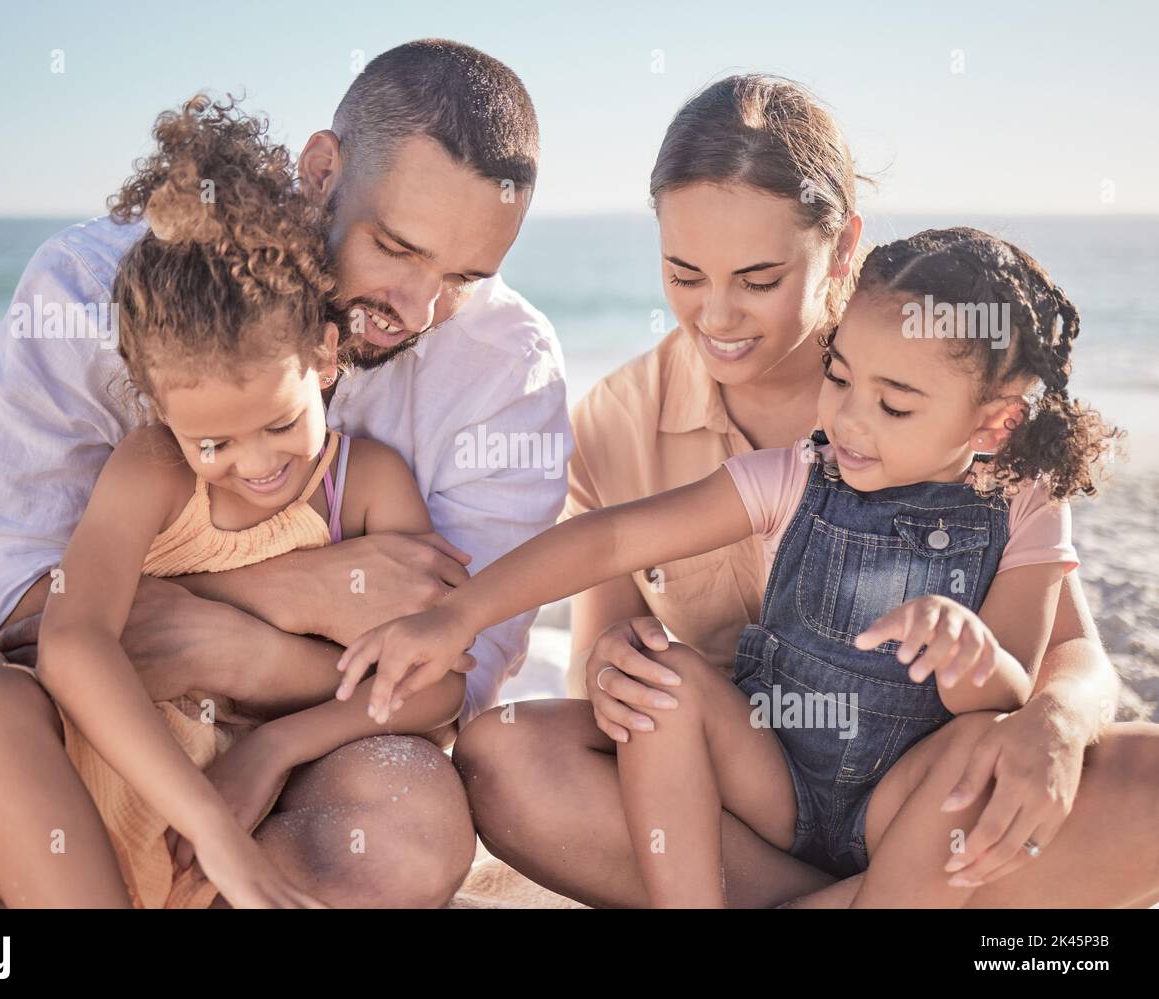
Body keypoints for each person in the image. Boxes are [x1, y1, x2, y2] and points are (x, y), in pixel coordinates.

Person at [0, 38, 568, 908]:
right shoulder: (99, 289)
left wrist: (246, 672)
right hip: (53, 739)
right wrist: (282, 601)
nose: (416, 312)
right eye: (396, 247)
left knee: (410, 821)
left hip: (279, 770)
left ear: (320, 363)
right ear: (320, 168)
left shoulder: (505, 370)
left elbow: (455, 678)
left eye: (464, 277)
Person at [451, 76, 1159, 908]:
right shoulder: (624, 425)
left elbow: (1051, 666)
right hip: (747, 799)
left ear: (844, 245)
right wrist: (609, 666)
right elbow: (608, 648)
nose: (716, 315)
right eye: (683, 273)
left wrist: (1056, 721)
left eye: (757, 278)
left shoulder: (956, 386)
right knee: (504, 754)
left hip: (925, 807)